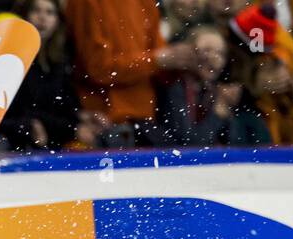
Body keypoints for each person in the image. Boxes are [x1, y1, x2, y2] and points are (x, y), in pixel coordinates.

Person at [67, 0, 196, 142]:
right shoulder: (86, 3)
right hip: (106, 123)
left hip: (146, 122)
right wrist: (156, 61)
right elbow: (97, 69)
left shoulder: (146, 3)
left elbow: (160, 64)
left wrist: (181, 62)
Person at [0, 0, 80, 152]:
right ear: (25, 16)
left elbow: (68, 115)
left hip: (52, 145)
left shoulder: (61, 62)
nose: (43, 18)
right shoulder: (10, 60)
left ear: (58, 21)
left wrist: (81, 120)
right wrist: (28, 126)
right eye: (36, 11)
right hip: (12, 144)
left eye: (49, 12)